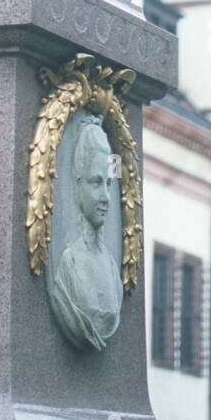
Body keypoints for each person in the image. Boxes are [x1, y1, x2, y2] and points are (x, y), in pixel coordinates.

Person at [49, 118, 123, 350]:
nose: (105, 196)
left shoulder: (112, 268)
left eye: (108, 184)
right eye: (95, 183)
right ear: (78, 185)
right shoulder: (69, 265)